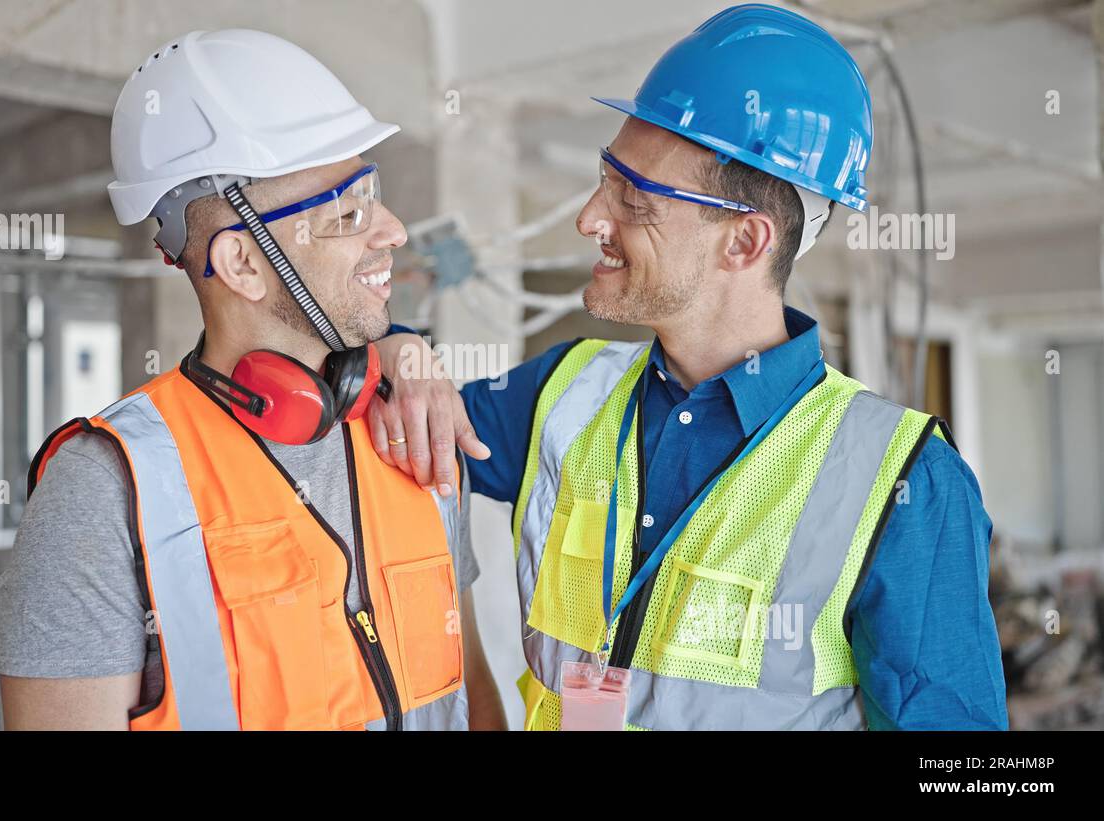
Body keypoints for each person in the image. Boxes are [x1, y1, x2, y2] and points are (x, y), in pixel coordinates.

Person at [372, 4, 1008, 730]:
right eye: (603, 178)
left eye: (633, 200)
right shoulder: (562, 392)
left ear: (744, 242)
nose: (589, 217)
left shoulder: (903, 480)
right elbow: (387, 418)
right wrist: (399, 344)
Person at [0, 29, 503, 731]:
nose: (392, 230)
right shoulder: (106, 489)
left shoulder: (414, 425)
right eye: (348, 213)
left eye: (374, 193)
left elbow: (469, 697)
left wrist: (405, 347)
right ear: (241, 265)